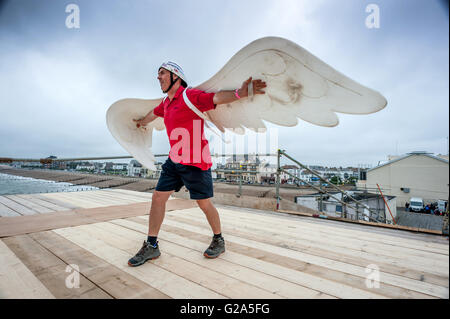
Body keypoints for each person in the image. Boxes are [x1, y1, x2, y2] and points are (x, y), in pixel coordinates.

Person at [127, 61, 266, 267]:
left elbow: (216, 98)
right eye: (158, 74)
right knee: (158, 198)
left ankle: (218, 239)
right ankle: (152, 246)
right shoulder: (166, 103)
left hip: (196, 162)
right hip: (174, 161)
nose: (158, 77)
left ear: (176, 76)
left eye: (162, 73)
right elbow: (154, 114)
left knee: (204, 203)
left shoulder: (190, 96)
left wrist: (241, 93)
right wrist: (141, 122)